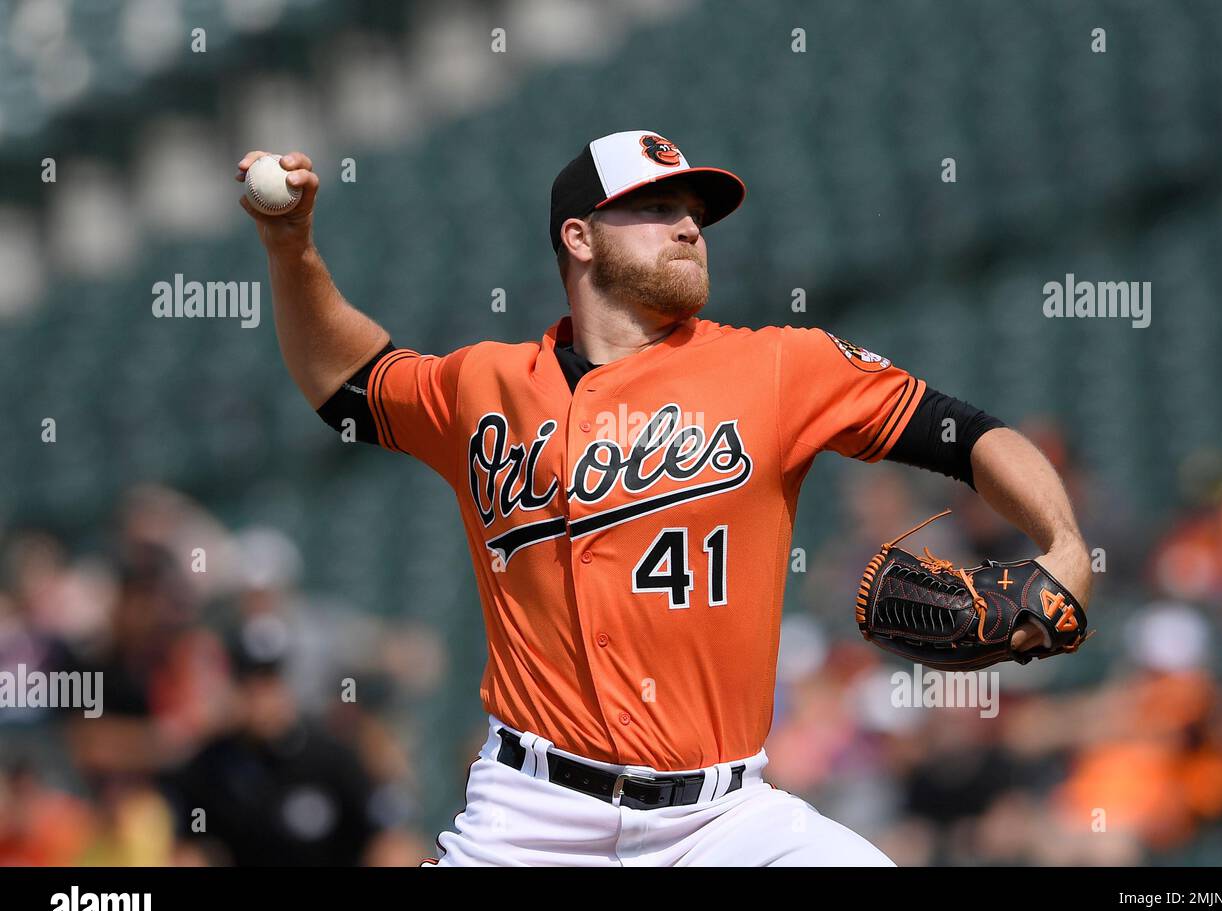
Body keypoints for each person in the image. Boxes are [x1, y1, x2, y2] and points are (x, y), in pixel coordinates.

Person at [237, 130, 1093, 866]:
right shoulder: (484, 384)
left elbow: (967, 434)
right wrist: (291, 248)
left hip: (722, 819)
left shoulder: (778, 367)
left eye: (695, 213)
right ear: (578, 237)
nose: (689, 226)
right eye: (654, 208)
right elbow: (345, 382)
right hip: (529, 819)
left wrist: (1062, 542)